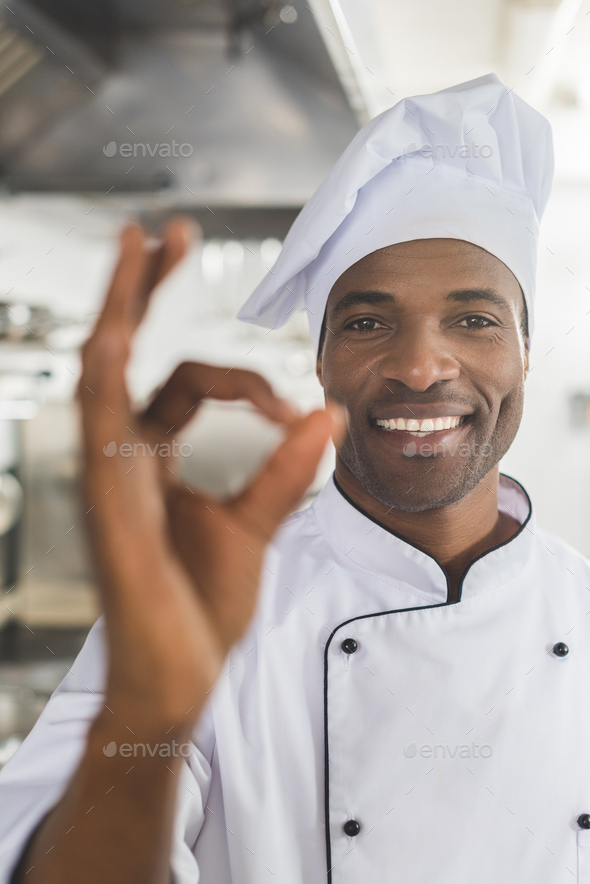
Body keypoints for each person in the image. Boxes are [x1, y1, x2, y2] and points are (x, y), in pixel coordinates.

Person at [1, 71, 589, 884]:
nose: (420, 366)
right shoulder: (204, 612)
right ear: (319, 360)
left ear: (526, 354)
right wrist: (149, 708)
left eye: (475, 319)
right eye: (368, 321)